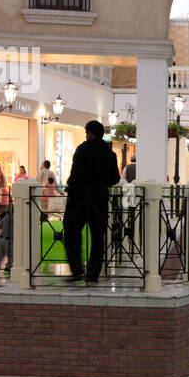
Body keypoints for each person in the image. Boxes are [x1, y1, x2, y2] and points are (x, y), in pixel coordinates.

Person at [63, 120, 120, 284]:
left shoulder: (82, 149)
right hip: (99, 200)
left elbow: (75, 174)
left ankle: (77, 269)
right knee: (97, 238)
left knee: (71, 233)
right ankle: (93, 274)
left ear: (90, 133)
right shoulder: (110, 154)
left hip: (78, 199)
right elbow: (115, 178)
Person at [0, 206, 12, 276]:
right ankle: (7, 269)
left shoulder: (6, 217)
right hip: (9, 240)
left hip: (1, 239)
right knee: (11, 255)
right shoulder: (16, 218)